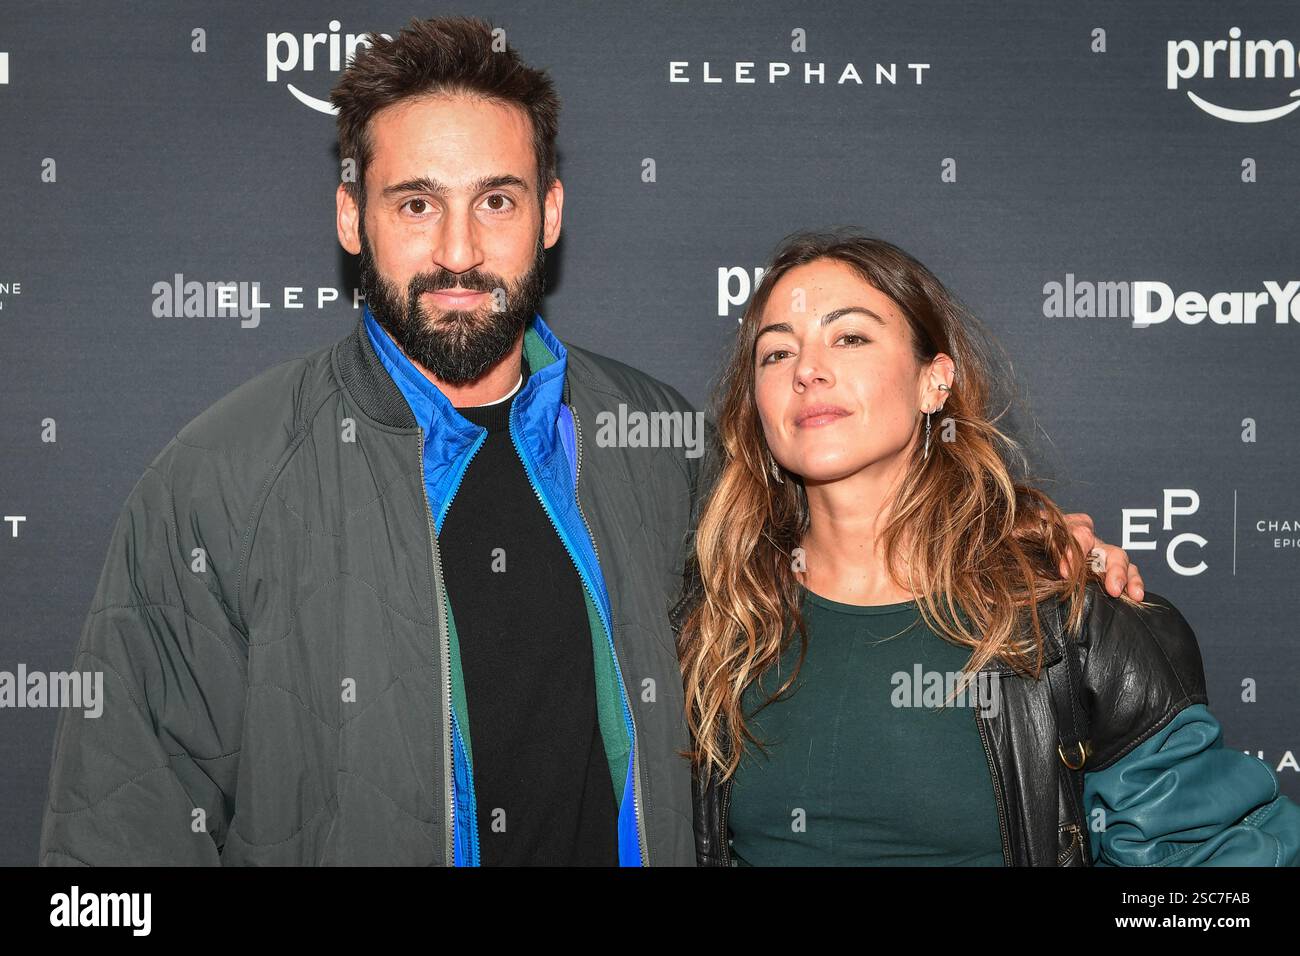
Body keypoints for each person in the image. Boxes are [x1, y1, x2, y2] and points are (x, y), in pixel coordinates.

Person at [38, 17, 1138, 867]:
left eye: (498, 201)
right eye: (416, 204)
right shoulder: (218, 481)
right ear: (349, 218)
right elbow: (119, 837)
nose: (459, 249)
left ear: (551, 214)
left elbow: (857, 542)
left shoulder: (662, 447)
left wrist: (1034, 550)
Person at [678, 230, 1300, 866]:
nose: (808, 370)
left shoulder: (1067, 624)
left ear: (934, 383)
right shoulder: (713, 625)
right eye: (777, 353)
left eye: (851, 337)